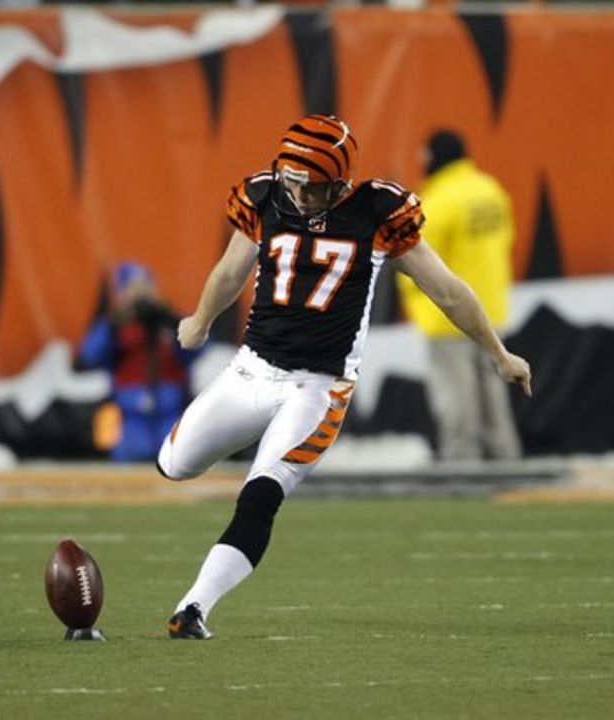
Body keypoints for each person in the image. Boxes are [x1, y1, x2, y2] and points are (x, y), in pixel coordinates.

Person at [159, 115, 532, 639]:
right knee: (174, 465)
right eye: (292, 182)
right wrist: (200, 321)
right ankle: (194, 592)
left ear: (338, 182)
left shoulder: (377, 215)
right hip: (251, 370)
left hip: (318, 388)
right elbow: (229, 272)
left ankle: (194, 608)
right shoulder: (265, 198)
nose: (299, 195)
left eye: (310, 188)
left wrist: (498, 353)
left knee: (261, 496)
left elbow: (447, 289)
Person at [397, 130, 523, 461]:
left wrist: (415, 299)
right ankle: (507, 465)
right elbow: (507, 241)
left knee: (457, 402)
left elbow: (415, 259)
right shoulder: (490, 191)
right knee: (495, 395)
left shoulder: (439, 201)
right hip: (492, 310)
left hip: (447, 316)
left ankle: (459, 469)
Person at [78, 262, 197, 462]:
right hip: (129, 416)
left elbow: (197, 350)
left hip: (170, 411)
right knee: (131, 464)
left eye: (145, 287)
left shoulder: (168, 321)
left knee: (176, 462)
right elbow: (89, 356)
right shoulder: (115, 325)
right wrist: (118, 322)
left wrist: (170, 319)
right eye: (133, 288)